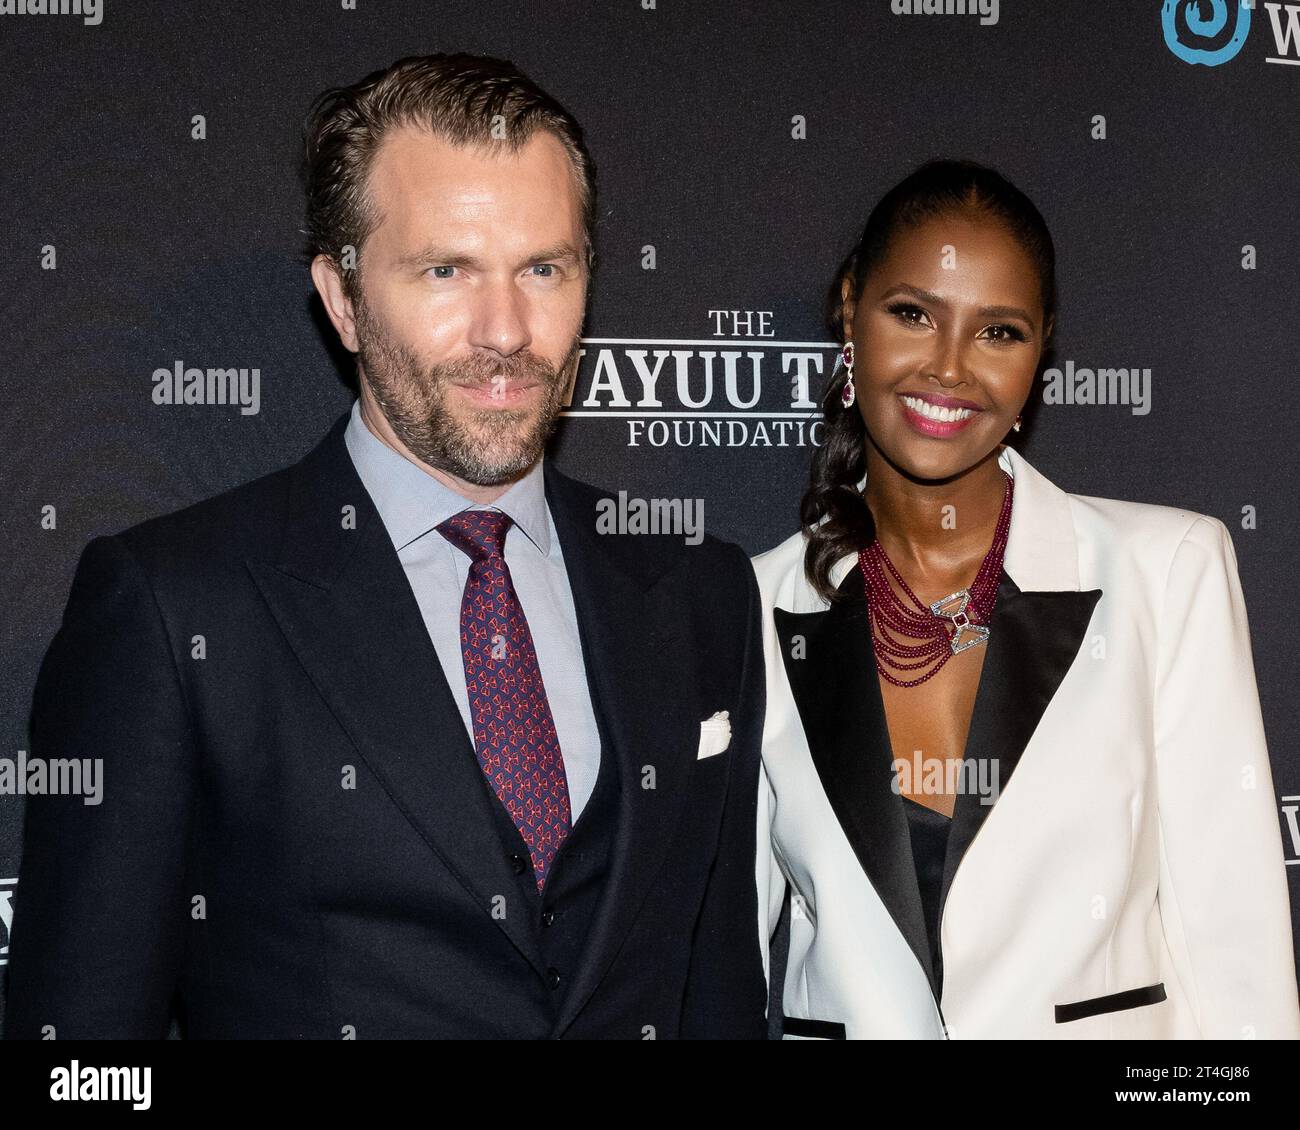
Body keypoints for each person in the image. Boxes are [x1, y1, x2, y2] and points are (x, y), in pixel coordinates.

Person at [4, 52, 767, 1040]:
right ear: (343, 295)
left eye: (544, 267)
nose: (506, 329)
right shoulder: (176, 605)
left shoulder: (697, 588)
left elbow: (717, 998)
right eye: (445, 270)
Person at [752, 158, 1300, 1039]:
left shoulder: (1167, 573)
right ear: (850, 310)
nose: (949, 369)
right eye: (912, 314)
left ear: (1042, 352)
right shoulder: (751, 610)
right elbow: (716, 962)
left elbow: (1236, 954)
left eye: (998, 332)